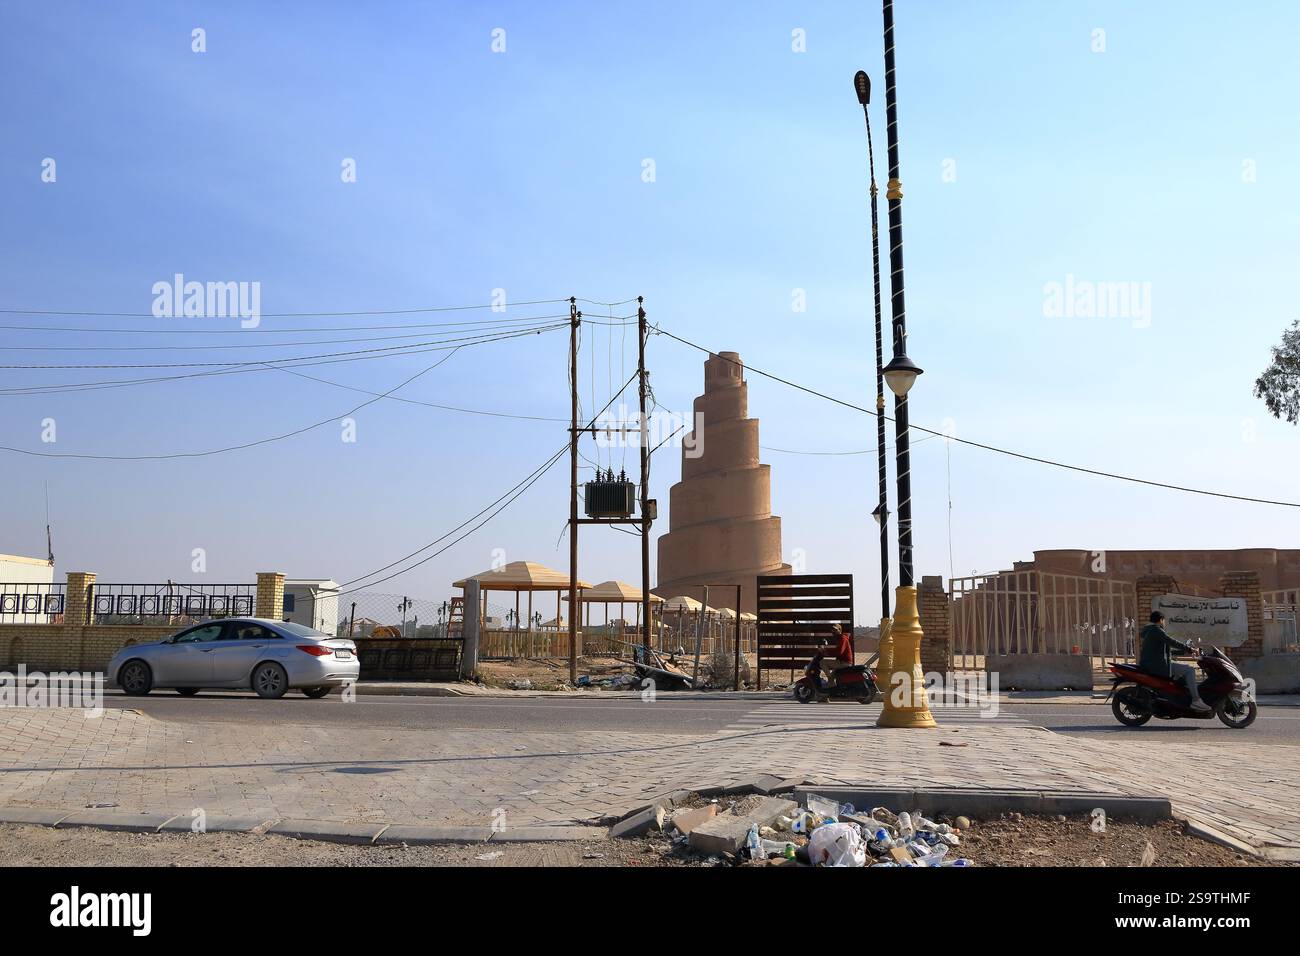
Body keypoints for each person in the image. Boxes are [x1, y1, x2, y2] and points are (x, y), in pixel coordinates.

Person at [1138, 611, 1211, 712]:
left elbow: (1166, 650)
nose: (1164, 623)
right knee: (1189, 670)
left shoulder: (1149, 630)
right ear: (1161, 620)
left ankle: (1179, 699)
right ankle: (1196, 700)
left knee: (1181, 673)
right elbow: (1171, 641)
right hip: (1158, 665)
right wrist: (1190, 649)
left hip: (1153, 663)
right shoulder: (1156, 630)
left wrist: (1184, 651)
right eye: (1164, 621)